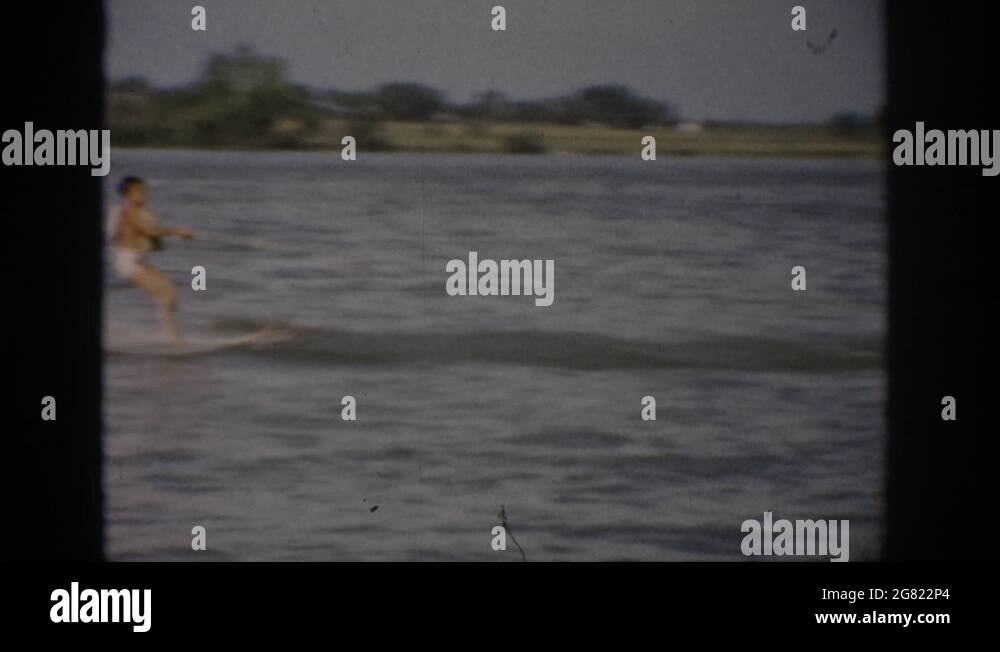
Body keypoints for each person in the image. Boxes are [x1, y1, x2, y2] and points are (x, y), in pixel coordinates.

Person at [109, 176, 193, 343]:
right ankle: (171, 339)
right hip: (128, 263)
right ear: (129, 194)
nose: (145, 194)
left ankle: (172, 334)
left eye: (145, 191)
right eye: (140, 191)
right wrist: (177, 232)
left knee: (172, 292)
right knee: (166, 295)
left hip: (140, 262)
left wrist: (177, 236)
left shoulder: (143, 213)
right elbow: (150, 232)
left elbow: (155, 243)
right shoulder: (128, 211)